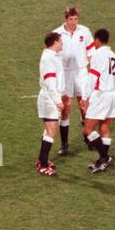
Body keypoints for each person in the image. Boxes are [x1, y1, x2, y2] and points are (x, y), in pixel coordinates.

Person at [54, 7, 93, 155]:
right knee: (66, 108)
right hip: (65, 74)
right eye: (71, 19)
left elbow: (91, 52)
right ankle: (64, 144)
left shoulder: (85, 31)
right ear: (66, 19)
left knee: (84, 106)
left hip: (82, 72)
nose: (73, 22)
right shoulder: (58, 33)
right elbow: (54, 54)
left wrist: (92, 70)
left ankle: (88, 138)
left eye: (76, 19)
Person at [84, 29, 115, 173]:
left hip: (102, 95)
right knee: (104, 128)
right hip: (112, 94)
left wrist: (86, 97)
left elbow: (93, 77)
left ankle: (104, 157)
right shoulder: (114, 56)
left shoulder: (98, 54)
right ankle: (103, 160)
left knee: (87, 129)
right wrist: (114, 95)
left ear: (97, 39)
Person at [36, 33, 63, 177]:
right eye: (60, 41)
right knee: (52, 131)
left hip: (50, 98)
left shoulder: (50, 56)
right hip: (49, 99)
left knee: (49, 131)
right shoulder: (49, 59)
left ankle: (42, 160)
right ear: (55, 42)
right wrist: (58, 101)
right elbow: (50, 82)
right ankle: (43, 164)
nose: (62, 43)